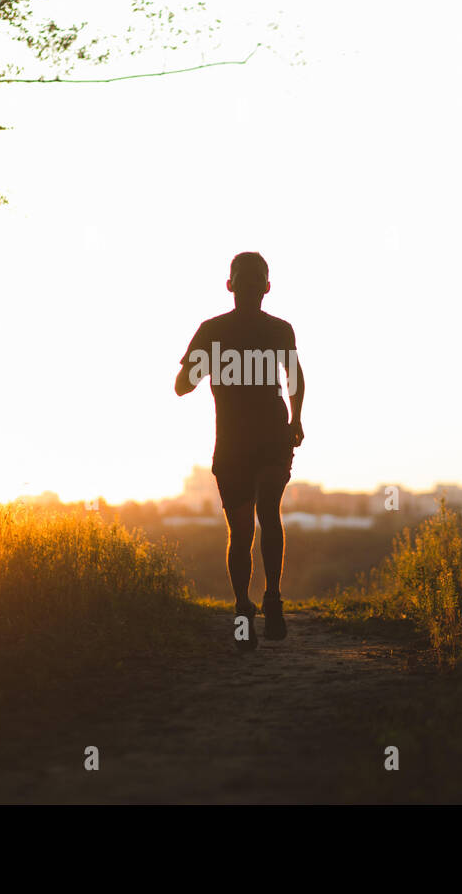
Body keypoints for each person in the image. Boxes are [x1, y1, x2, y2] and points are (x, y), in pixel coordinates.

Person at [175, 252, 305, 650]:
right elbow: (297, 380)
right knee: (267, 515)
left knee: (242, 530)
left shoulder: (212, 331)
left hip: (237, 443)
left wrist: (204, 365)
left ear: (229, 285)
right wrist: (296, 420)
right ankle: (269, 600)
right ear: (266, 286)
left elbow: (182, 385)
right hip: (267, 439)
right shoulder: (279, 330)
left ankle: (245, 611)